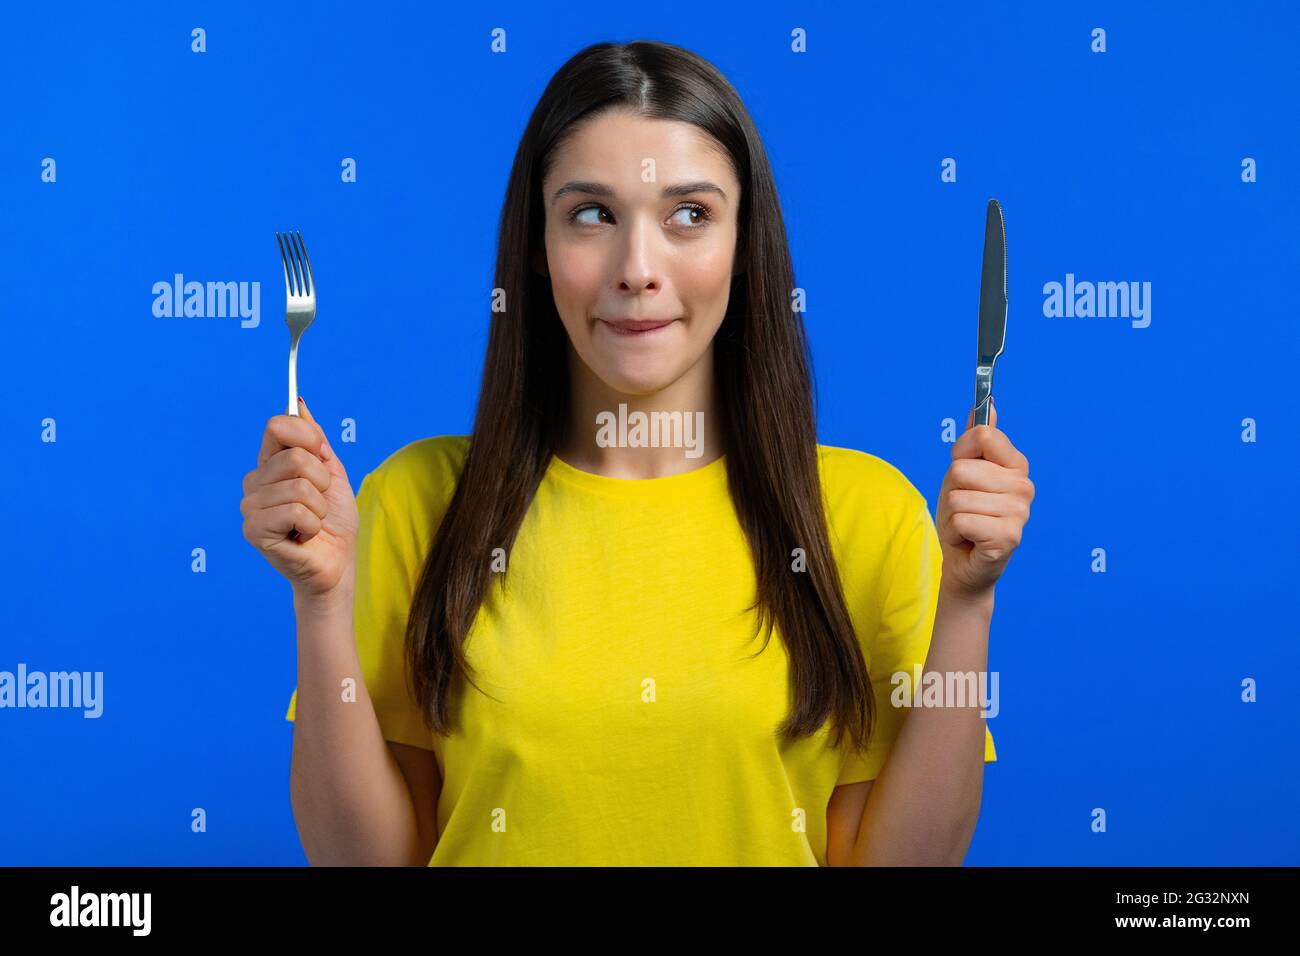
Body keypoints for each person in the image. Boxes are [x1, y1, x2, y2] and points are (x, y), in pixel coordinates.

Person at [244, 39, 1033, 866]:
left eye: (690, 214)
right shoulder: (416, 502)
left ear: (744, 245)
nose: (638, 269)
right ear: (538, 250)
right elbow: (366, 861)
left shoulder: (863, 516)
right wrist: (323, 606)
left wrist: (969, 603)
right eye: (593, 214)